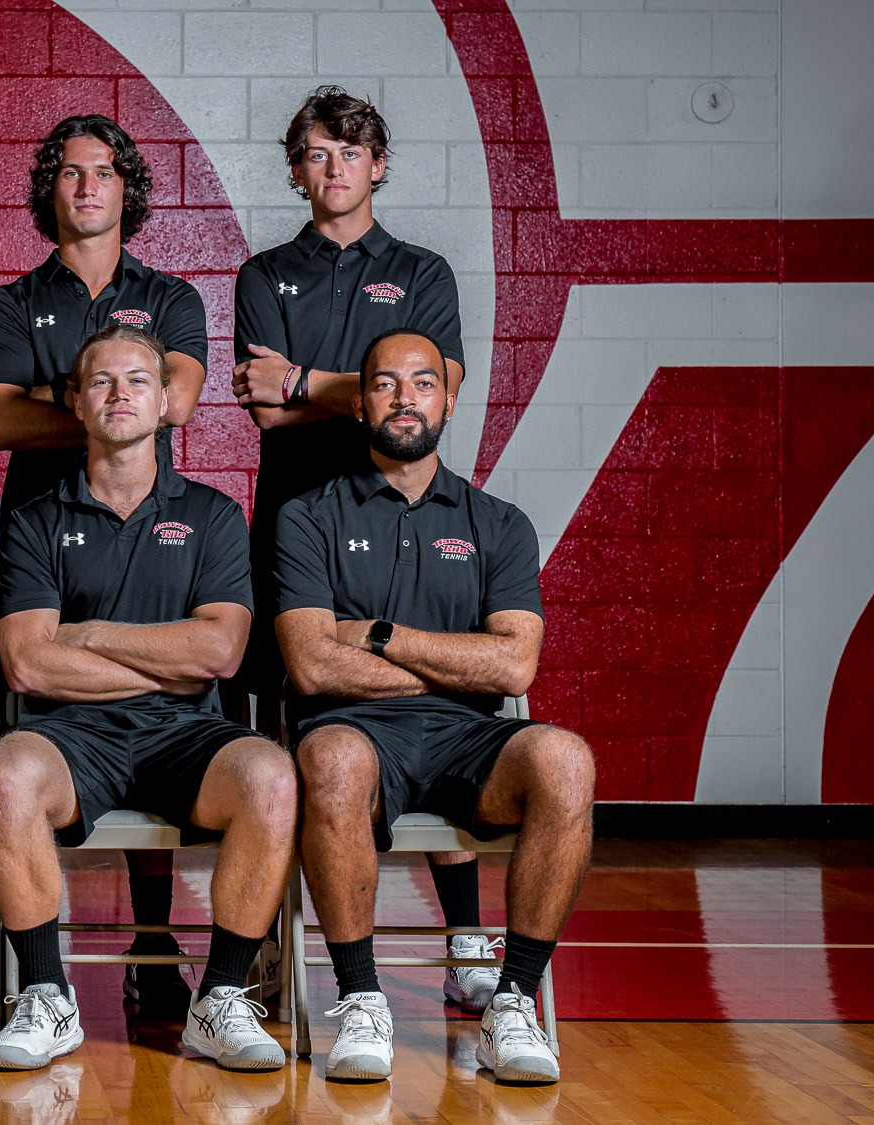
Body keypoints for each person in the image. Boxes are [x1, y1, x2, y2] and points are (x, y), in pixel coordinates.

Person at [232, 85, 496, 1009]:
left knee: (445, 706)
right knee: (287, 725)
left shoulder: (423, 270)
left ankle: (467, 939)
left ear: (378, 165)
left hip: (409, 515)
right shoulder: (264, 273)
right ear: (297, 168)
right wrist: (372, 384)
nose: (333, 167)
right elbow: (266, 408)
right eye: (315, 152)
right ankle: (271, 952)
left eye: (350, 151)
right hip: (298, 519)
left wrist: (313, 378)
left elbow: (436, 393)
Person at [274, 329, 593, 1084]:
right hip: (355, 732)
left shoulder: (499, 523)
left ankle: (512, 1002)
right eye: (385, 383)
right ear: (359, 403)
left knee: (566, 758)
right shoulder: (307, 517)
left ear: (449, 399)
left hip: (470, 740)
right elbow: (314, 666)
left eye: (422, 383)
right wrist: (456, 662)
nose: (405, 397)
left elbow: (515, 662)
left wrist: (382, 637)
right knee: (330, 756)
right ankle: (360, 998)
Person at [0, 325, 295, 1072]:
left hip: (186, 732)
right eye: (101, 382)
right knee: (4, 773)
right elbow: (26, 664)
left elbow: (220, 653)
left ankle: (217, 998)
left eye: (139, 381)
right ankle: (47, 994)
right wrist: (167, 658)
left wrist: (86, 637)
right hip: (70, 733)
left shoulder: (215, 514)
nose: (120, 394)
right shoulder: (34, 520)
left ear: (165, 406)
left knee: (273, 776)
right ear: (77, 407)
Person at [0, 112, 211, 1017]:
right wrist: (117, 405)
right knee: (37, 728)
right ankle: (32, 958)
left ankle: (155, 945)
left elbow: (179, 401)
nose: (85, 187)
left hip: (150, 526)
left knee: (152, 710)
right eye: (68, 172)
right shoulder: (9, 302)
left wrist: (63, 398)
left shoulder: (175, 296)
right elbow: (1, 420)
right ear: (51, 189)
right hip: (47, 529)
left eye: (102, 172)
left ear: (126, 189)